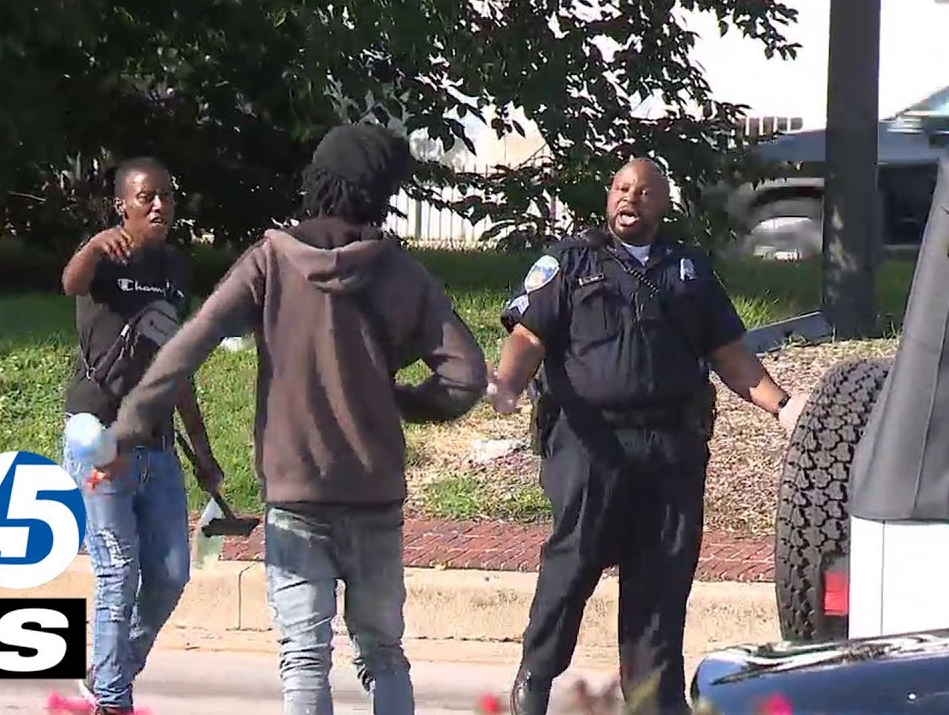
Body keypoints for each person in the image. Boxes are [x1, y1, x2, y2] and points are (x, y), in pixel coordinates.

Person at [92, 123, 488, 715]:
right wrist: (399, 399)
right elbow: (466, 377)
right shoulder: (400, 271)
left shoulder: (271, 261)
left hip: (296, 494)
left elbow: (186, 345)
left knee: (304, 656)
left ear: (317, 182)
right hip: (375, 494)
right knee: (384, 653)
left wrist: (125, 429)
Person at [486, 158, 809, 715]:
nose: (630, 199)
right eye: (621, 188)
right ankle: (535, 677)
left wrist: (782, 406)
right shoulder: (569, 262)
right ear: (608, 195)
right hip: (590, 445)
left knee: (662, 577)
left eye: (644, 191)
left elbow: (729, 353)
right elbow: (527, 336)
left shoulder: (688, 271)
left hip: (670, 449)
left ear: (664, 204)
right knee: (572, 564)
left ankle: (654, 698)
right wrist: (506, 385)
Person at [59, 156, 224, 715]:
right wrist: (96, 245)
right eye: (146, 196)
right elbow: (70, 282)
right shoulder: (103, 258)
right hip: (100, 439)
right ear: (122, 205)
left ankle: (106, 674)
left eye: (167, 196)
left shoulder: (176, 268)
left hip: (156, 442)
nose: (158, 205)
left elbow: (175, 367)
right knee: (117, 571)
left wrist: (203, 454)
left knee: (172, 572)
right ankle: (111, 700)